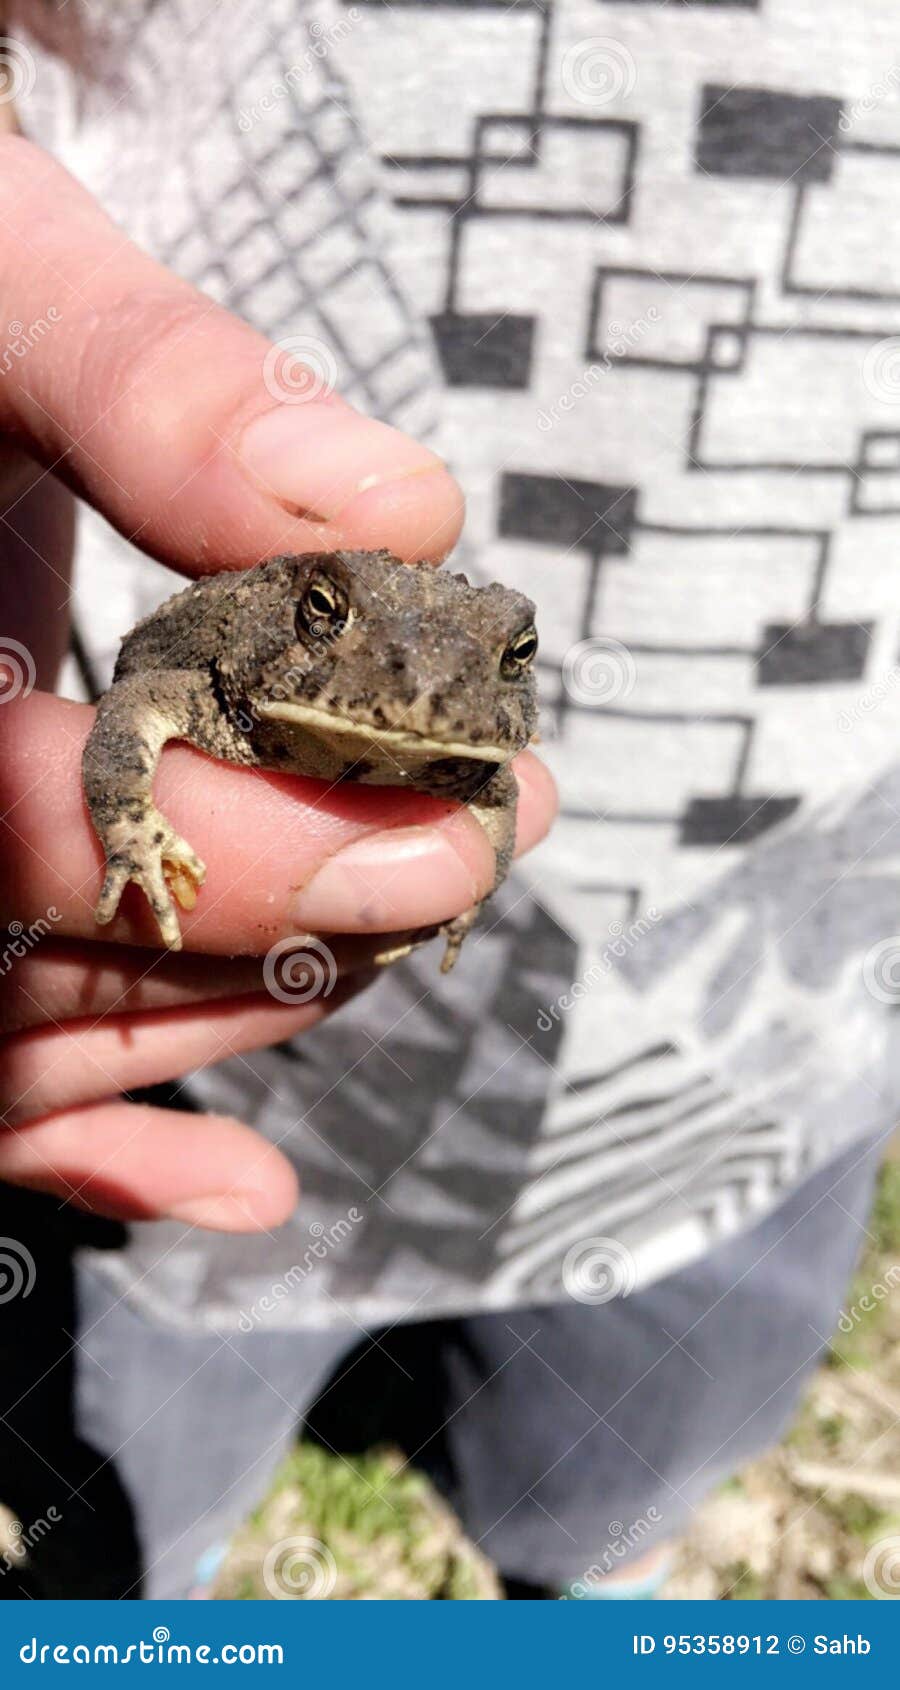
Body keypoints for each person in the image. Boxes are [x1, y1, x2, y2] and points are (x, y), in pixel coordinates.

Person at [0, 0, 895, 1599]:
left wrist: (462, 875)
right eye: (352, 639)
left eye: (491, 663)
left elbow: (479, 786)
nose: (426, 693)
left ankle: (587, 1571)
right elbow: (141, 699)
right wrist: (132, 825)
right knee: (139, 1468)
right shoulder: (246, 654)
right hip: (193, 1041)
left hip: (781, 1013)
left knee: (623, 1467)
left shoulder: (472, 723)